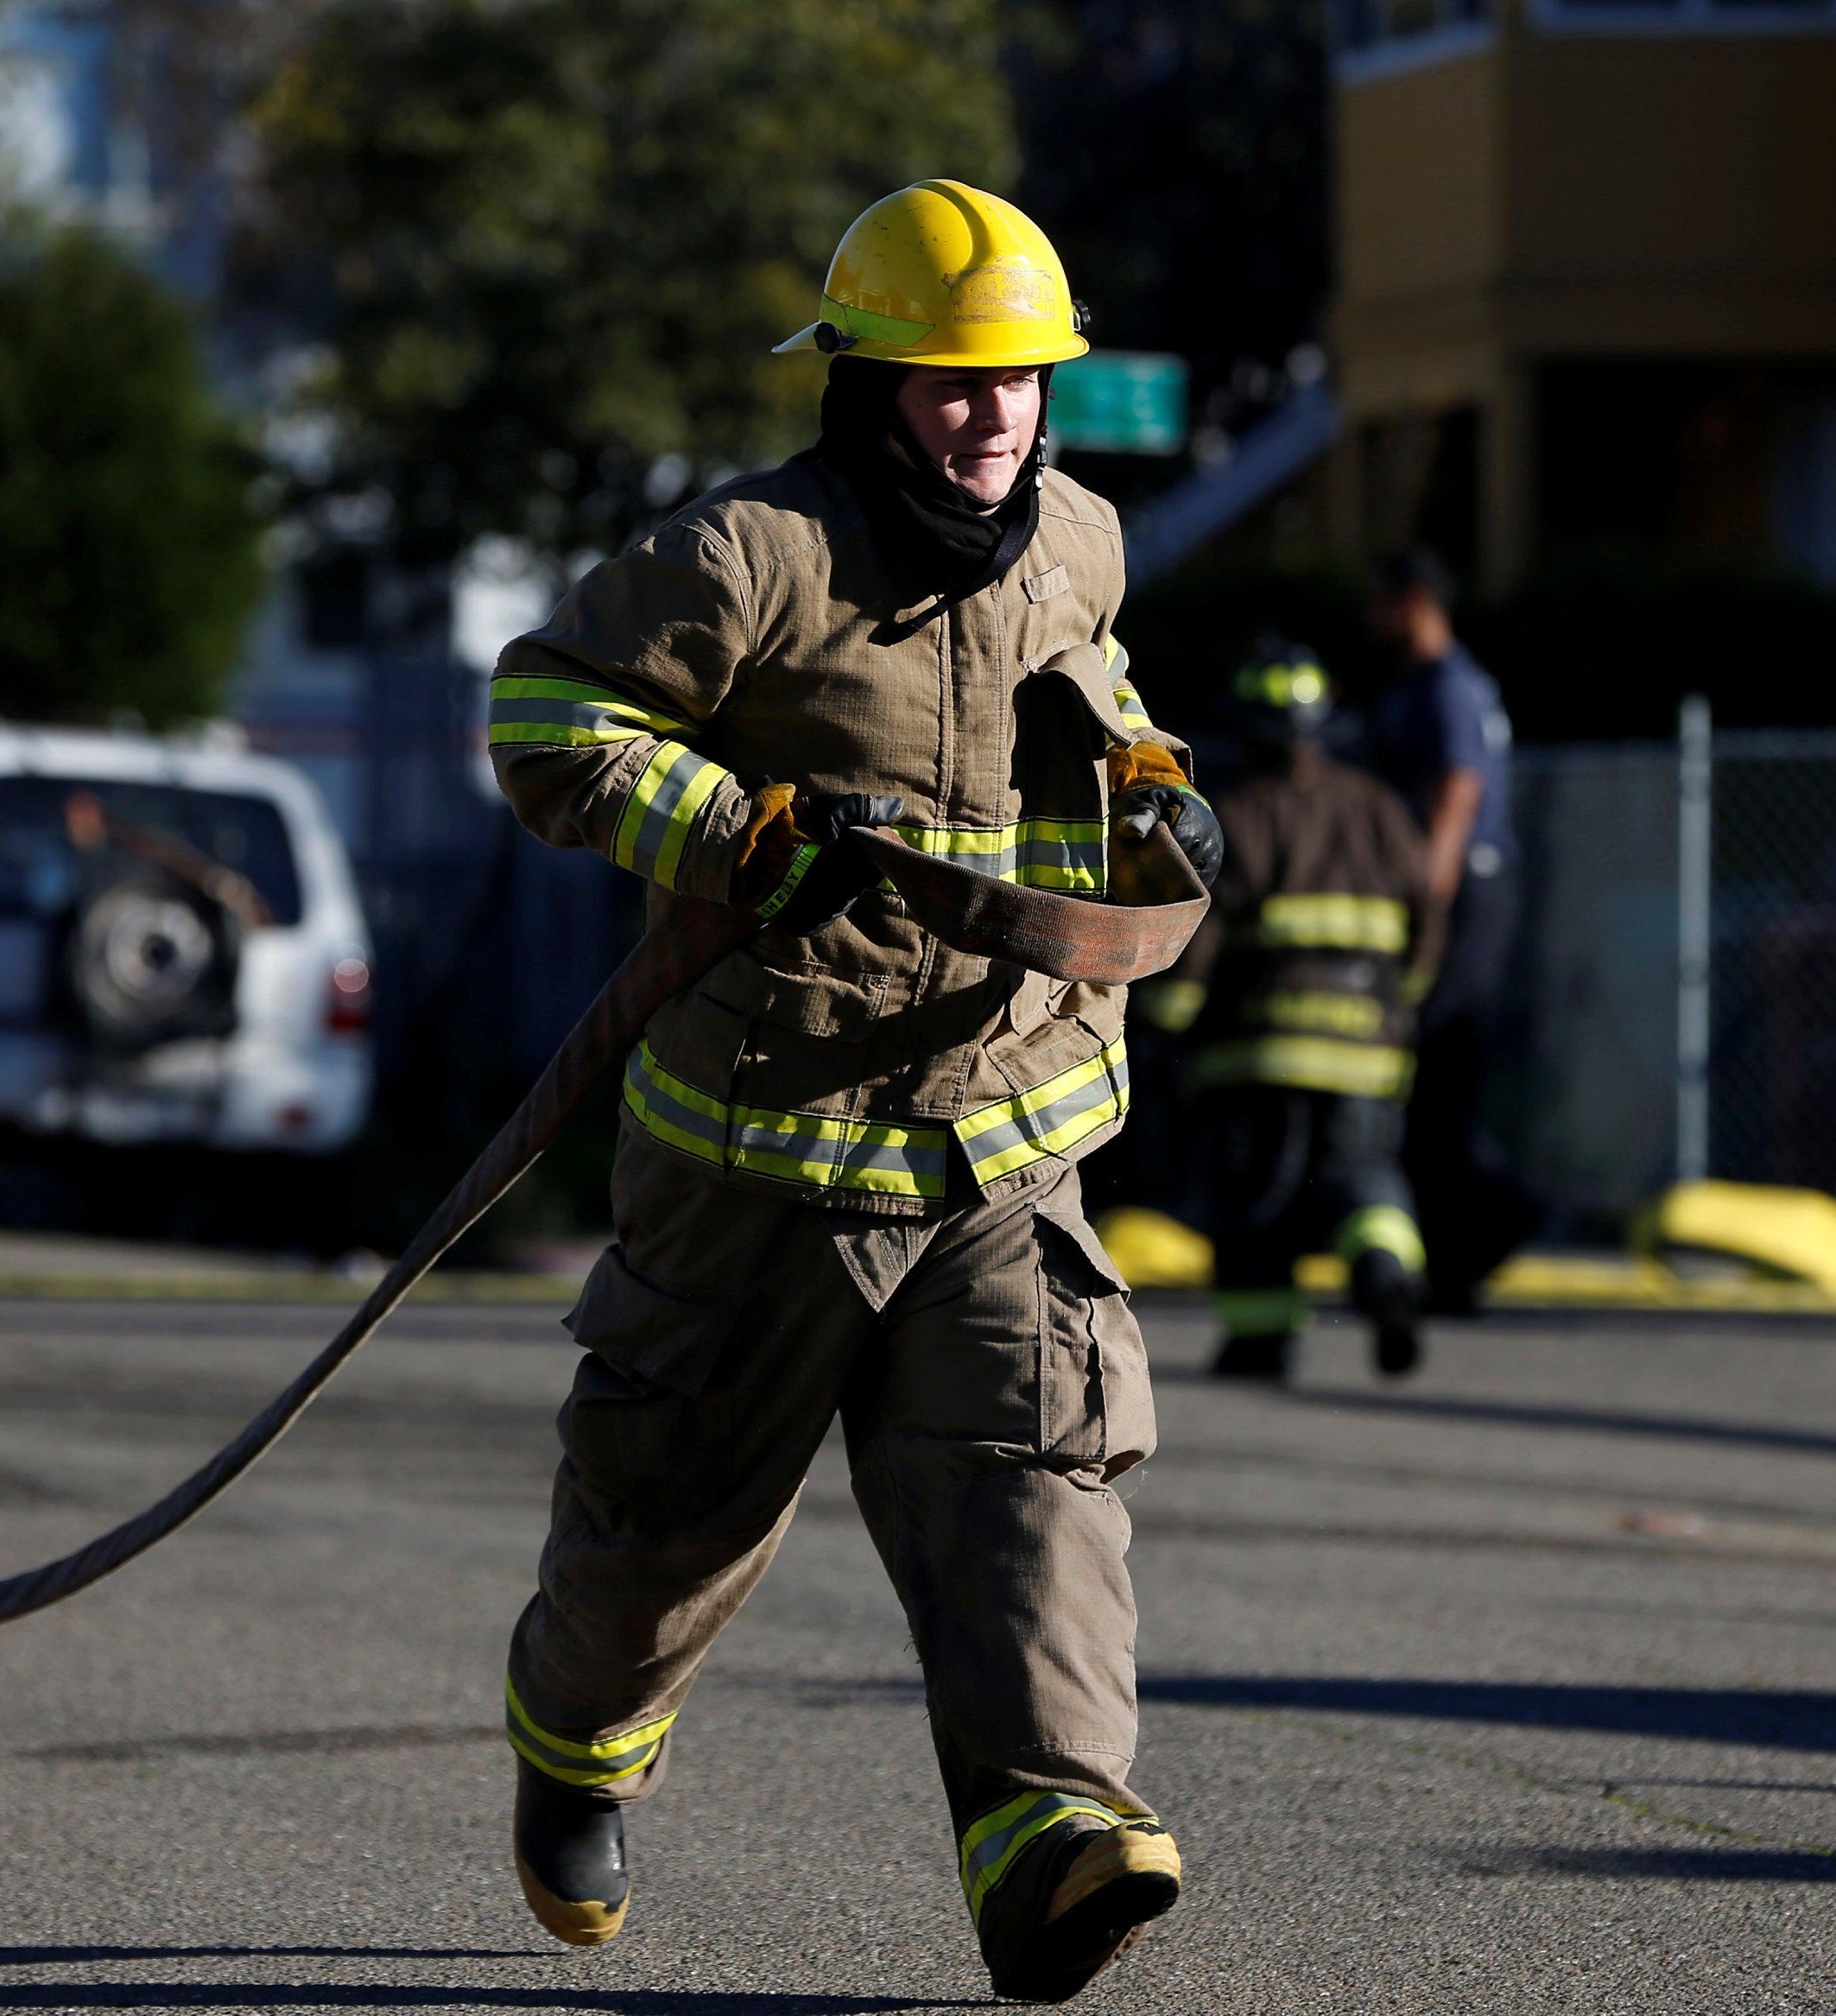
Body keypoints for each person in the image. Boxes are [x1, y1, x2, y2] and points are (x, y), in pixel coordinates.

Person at [482, 181, 1222, 2004]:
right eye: (944, 382)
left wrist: (1151, 786)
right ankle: (577, 1750)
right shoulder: (753, 558)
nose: (989, 418)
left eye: (1017, 383)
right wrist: (741, 830)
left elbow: (1093, 687)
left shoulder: (1076, 542)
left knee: (1030, 1477)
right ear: (863, 381)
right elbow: (546, 720)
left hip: (996, 1137)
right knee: (663, 1535)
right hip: (757, 1163)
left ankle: (1053, 1838)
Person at [1143, 641, 1438, 1383]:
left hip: (1257, 1057)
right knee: (1366, 1179)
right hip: (1370, 1052)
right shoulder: (1378, 808)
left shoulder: (1238, 816)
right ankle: (1385, 1270)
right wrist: (1401, 1006)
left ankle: (1261, 1341)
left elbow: (1199, 937)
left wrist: (1164, 1020)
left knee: (1256, 1201)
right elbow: (1429, 917)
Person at [1364, 548, 1536, 1313]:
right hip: (1466, 893)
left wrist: (1425, 906)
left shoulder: (1447, 689)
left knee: (1441, 1067)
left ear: (1411, 602)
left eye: (1382, 601)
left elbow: (1458, 799)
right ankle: (1458, 1252)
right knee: (1433, 1079)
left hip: (1466, 896)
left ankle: (1495, 1223)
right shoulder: (1426, 687)